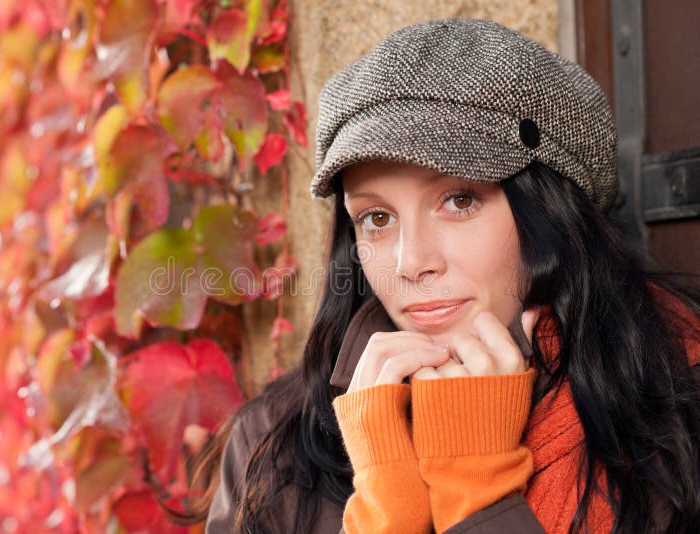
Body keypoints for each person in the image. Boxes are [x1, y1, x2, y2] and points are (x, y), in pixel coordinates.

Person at [181, 18, 700, 533]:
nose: (410, 262)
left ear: (552, 215)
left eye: (459, 200)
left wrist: (479, 492)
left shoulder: (675, 408)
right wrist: (383, 513)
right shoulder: (273, 442)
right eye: (377, 218)